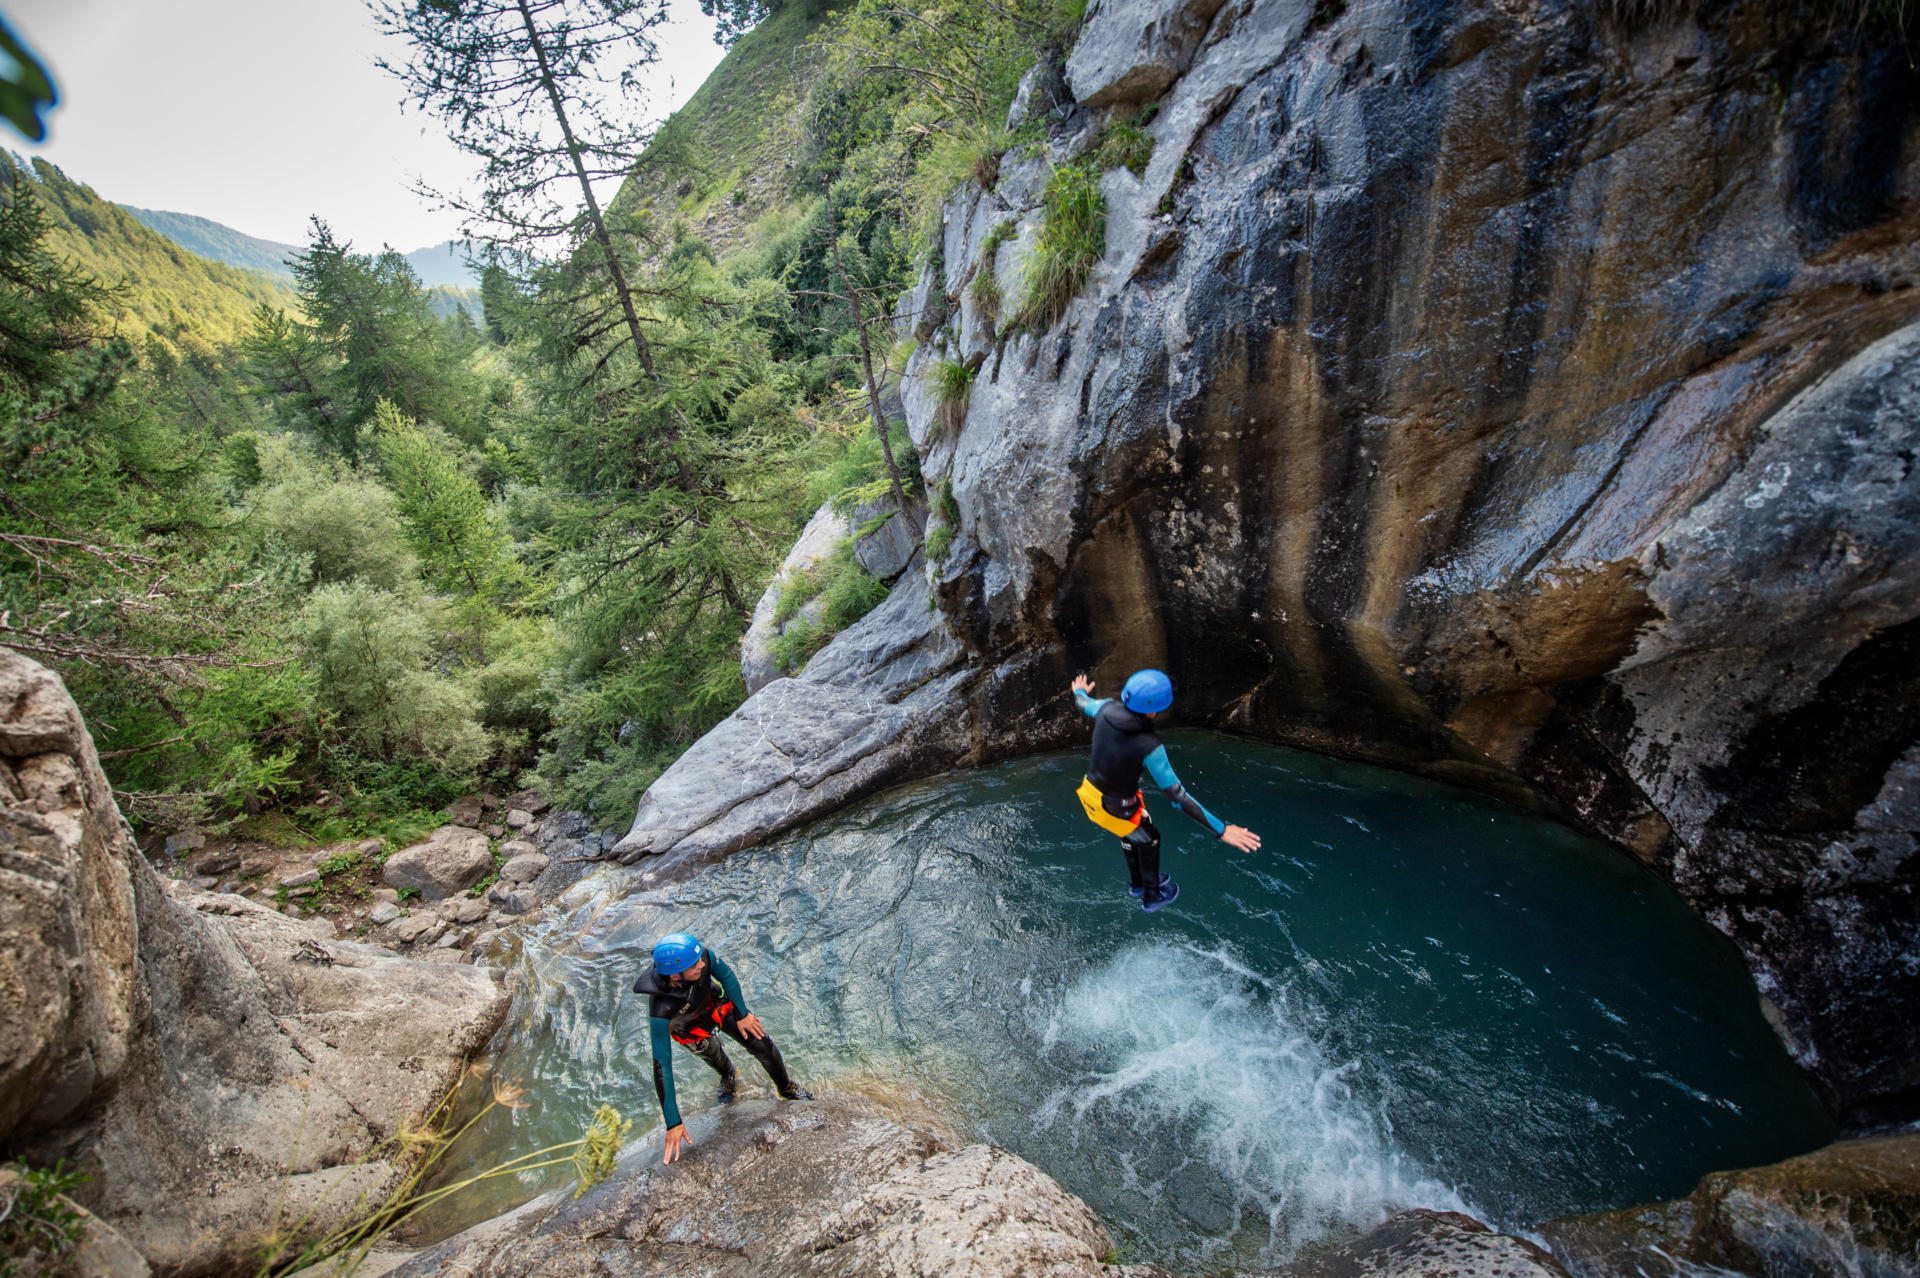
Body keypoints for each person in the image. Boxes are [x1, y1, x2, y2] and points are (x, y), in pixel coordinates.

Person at [1071, 669, 1262, 910]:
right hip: (1115, 809)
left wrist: (1079, 690)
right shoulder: (1149, 746)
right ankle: (1151, 896)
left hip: (1090, 794)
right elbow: (1177, 796)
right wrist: (1222, 830)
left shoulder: (1105, 708)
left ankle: (1138, 884)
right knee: (1150, 839)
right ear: (1153, 710)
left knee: (1133, 833)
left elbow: (1082, 702)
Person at [633, 932, 810, 1164]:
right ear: (675, 974)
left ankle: (786, 1088)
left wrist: (744, 1014)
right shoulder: (660, 1006)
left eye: (700, 960)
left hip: (717, 1006)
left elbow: (726, 976)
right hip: (691, 1032)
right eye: (695, 964)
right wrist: (673, 1121)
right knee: (720, 1063)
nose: (703, 964)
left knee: (761, 1043)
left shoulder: (702, 955)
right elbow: (661, 1064)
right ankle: (728, 1076)